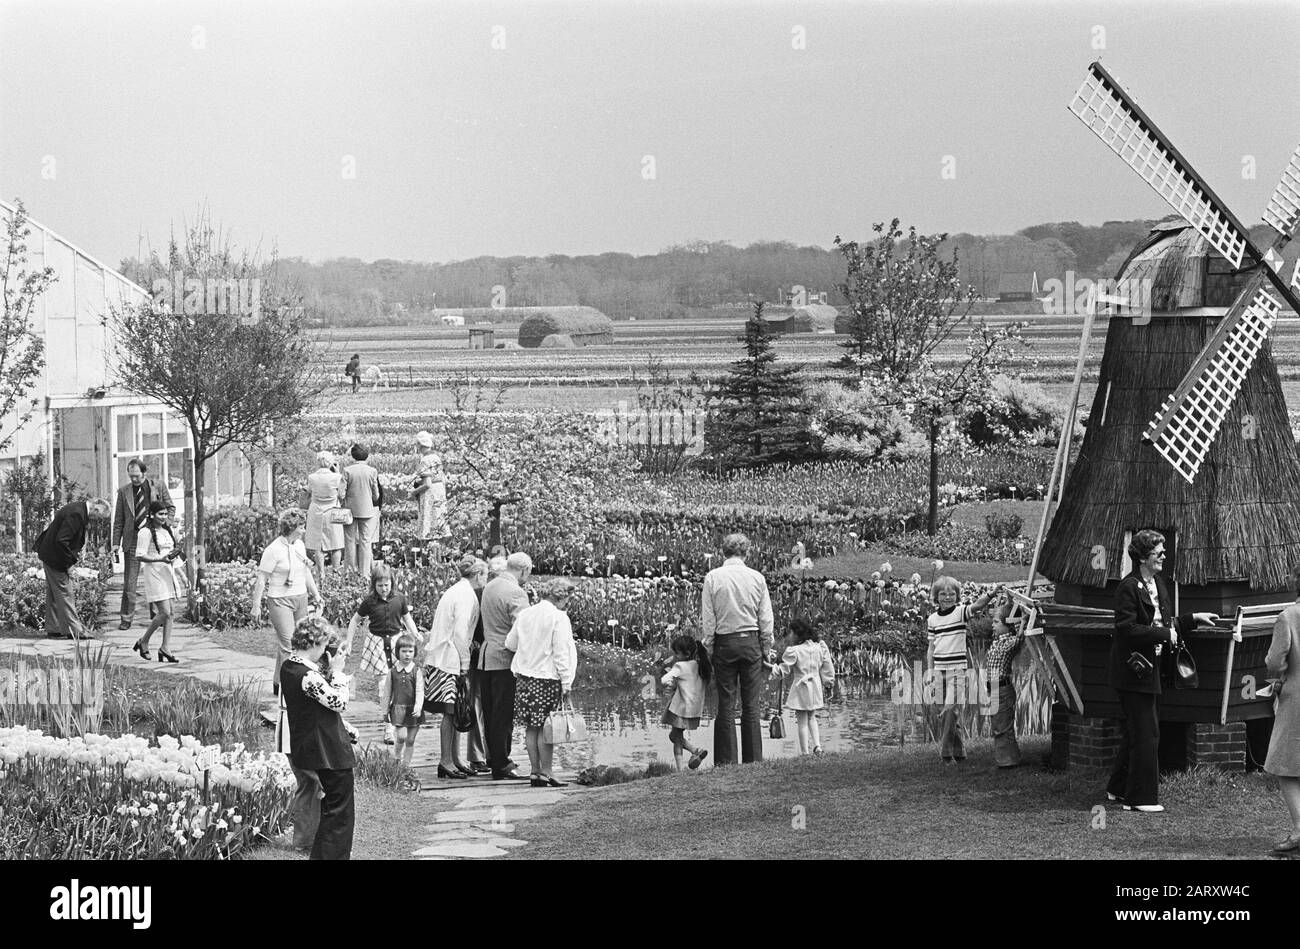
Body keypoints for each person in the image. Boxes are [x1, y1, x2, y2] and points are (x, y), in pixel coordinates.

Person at [1106, 529, 1217, 813]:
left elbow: (1167, 623)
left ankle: (1118, 789)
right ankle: (1139, 799)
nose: (1164, 557)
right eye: (1159, 553)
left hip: (1152, 671)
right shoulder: (1128, 587)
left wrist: (1193, 619)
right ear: (1143, 558)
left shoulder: (1158, 584)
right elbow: (1126, 629)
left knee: (1137, 732)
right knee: (1147, 734)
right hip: (1133, 673)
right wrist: (1163, 635)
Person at [278, 615, 357, 860]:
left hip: (315, 745)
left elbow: (313, 708)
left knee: (333, 809)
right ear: (314, 643)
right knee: (340, 812)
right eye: (324, 646)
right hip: (328, 751)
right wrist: (338, 673)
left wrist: (345, 728)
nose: (325, 652)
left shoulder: (288, 667)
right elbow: (338, 701)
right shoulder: (307, 675)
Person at [700, 533, 774, 765]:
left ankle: (725, 761)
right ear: (747, 552)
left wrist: (709, 647)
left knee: (726, 703)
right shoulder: (756, 578)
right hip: (750, 642)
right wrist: (766, 648)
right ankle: (753, 761)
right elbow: (766, 619)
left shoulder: (713, 577)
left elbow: (709, 619)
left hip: (725, 643)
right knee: (751, 704)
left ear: (724, 552)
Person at [505, 578, 578, 788]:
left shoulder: (525, 613)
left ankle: (535, 772)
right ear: (560, 597)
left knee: (531, 727)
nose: (567, 604)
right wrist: (567, 683)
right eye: (567, 599)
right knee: (548, 727)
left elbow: (510, 643)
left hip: (524, 679)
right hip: (547, 679)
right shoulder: (558, 617)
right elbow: (561, 652)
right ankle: (547, 772)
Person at [424, 555, 487, 780]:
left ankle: (456, 758)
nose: (486, 580)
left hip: (444, 656)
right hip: (448, 659)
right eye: (485, 575)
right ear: (478, 574)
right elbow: (460, 634)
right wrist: (464, 663)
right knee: (450, 712)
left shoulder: (457, 590)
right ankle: (446, 761)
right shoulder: (465, 596)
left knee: (458, 709)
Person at [343, 564, 420, 745]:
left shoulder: (399, 598)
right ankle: (388, 728)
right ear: (374, 585)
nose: (384, 589)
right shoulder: (369, 601)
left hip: (396, 643)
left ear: (392, 583)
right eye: (380, 586)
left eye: (387, 585)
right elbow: (355, 620)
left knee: (399, 682)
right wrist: (349, 641)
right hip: (377, 644)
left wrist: (415, 633)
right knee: (383, 684)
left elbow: (407, 618)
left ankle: (398, 721)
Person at [251, 510, 323, 695]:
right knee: (289, 645)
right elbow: (261, 579)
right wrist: (256, 605)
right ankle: (288, 689)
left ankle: (278, 682)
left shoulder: (299, 545)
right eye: (301, 526)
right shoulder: (273, 550)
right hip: (279, 600)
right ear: (291, 527)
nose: (304, 530)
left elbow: (306, 572)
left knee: (298, 642)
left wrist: (316, 595)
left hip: (300, 597)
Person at [926, 576, 996, 763]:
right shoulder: (932, 619)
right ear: (936, 596)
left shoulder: (960, 612)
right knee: (946, 713)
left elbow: (978, 606)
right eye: (943, 594)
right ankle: (960, 752)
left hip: (957, 670)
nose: (947, 597)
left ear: (957, 596)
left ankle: (945, 753)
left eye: (951, 594)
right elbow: (931, 648)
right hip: (939, 670)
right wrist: (930, 672)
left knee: (950, 710)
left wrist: (991, 594)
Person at [478, 551, 533, 779]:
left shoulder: (490, 586)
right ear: (524, 570)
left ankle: (493, 757)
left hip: (485, 656)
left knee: (490, 712)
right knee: (503, 713)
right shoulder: (516, 593)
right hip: (504, 658)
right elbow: (524, 629)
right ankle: (501, 763)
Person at [35, 497, 112, 640]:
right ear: (96, 509)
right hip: (55, 556)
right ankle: (75, 630)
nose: (96, 521)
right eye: (98, 518)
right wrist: (69, 564)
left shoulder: (78, 508)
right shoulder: (77, 513)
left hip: (50, 553)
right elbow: (62, 541)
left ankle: (54, 628)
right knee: (66, 592)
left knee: (54, 593)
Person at [111, 458, 174, 630]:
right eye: (131, 476)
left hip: (153, 541)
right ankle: (126, 618)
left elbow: (170, 507)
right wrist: (115, 543)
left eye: (137, 476)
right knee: (129, 583)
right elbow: (118, 520)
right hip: (132, 541)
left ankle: (158, 615)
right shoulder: (124, 492)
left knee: (156, 578)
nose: (134, 480)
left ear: (144, 473)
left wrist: (165, 523)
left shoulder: (157, 486)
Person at [1263, 565, 1300, 853]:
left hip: (1296, 698)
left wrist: (1278, 679)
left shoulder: (1288, 617)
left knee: (1286, 765)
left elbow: (1275, 661)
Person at [771, 615, 836, 756]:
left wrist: (770, 667)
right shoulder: (819, 647)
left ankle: (805, 752)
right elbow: (827, 667)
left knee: (801, 720)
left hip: (802, 686)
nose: (789, 635)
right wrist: (828, 683)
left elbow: (783, 671)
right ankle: (817, 746)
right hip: (815, 685)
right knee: (812, 717)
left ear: (796, 634)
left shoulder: (795, 651)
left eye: (791, 632)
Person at [131, 500, 183, 663]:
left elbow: (171, 555)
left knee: (171, 612)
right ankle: (144, 640)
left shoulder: (167, 530)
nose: (164, 517)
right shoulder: (145, 532)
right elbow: (139, 555)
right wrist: (159, 559)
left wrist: (182, 575)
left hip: (168, 572)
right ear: (151, 515)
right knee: (164, 612)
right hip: (154, 573)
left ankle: (165, 648)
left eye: (166, 514)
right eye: (160, 514)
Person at [660, 633, 710, 771]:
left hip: (680, 709)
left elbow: (664, 680)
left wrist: (672, 681)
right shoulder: (701, 666)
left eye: (676, 653)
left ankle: (680, 770)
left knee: (676, 738)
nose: (675, 655)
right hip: (694, 710)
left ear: (686, 653)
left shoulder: (680, 666)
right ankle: (695, 750)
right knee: (674, 735)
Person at [986, 595, 1025, 768]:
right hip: (994, 689)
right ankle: (1007, 759)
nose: (992, 625)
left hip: (1001, 690)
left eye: (996, 622)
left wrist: (1022, 622)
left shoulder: (1009, 642)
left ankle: (1008, 762)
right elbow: (1006, 611)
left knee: (1003, 726)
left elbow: (1019, 638)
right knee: (998, 724)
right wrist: (1005, 602)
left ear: (1007, 626)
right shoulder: (998, 640)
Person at [379, 633, 424, 767]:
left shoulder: (416, 671)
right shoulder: (392, 672)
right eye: (404, 651)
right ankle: (397, 757)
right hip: (398, 709)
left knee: (410, 740)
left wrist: (418, 706)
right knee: (402, 737)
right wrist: (385, 711)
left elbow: (420, 690)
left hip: (413, 710)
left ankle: (406, 766)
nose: (407, 654)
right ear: (398, 652)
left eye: (410, 651)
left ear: (414, 652)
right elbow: (387, 692)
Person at [340, 443, 381, 577]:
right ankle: (365, 573)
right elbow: (376, 495)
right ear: (367, 455)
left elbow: (341, 494)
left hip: (349, 511)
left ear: (352, 455)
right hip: (367, 509)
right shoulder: (372, 471)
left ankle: (350, 571)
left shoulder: (347, 470)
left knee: (349, 540)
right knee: (365, 541)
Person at [304, 451, 346, 579]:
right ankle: (335, 571)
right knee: (336, 542)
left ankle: (321, 573)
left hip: (316, 510)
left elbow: (309, 491)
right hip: (332, 509)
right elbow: (341, 495)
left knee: (318, 544)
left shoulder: (312, 477)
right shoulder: (336, 477)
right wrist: (337, 472)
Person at [412, 430, 450, 556]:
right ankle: (440, 554)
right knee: (438, 521)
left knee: (429, 521)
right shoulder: (436, 457)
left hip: (430, 493)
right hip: (439, 492)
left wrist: (414, 492)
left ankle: (430, 556)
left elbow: (427, 484)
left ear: (419, 445)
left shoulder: (425, 460)